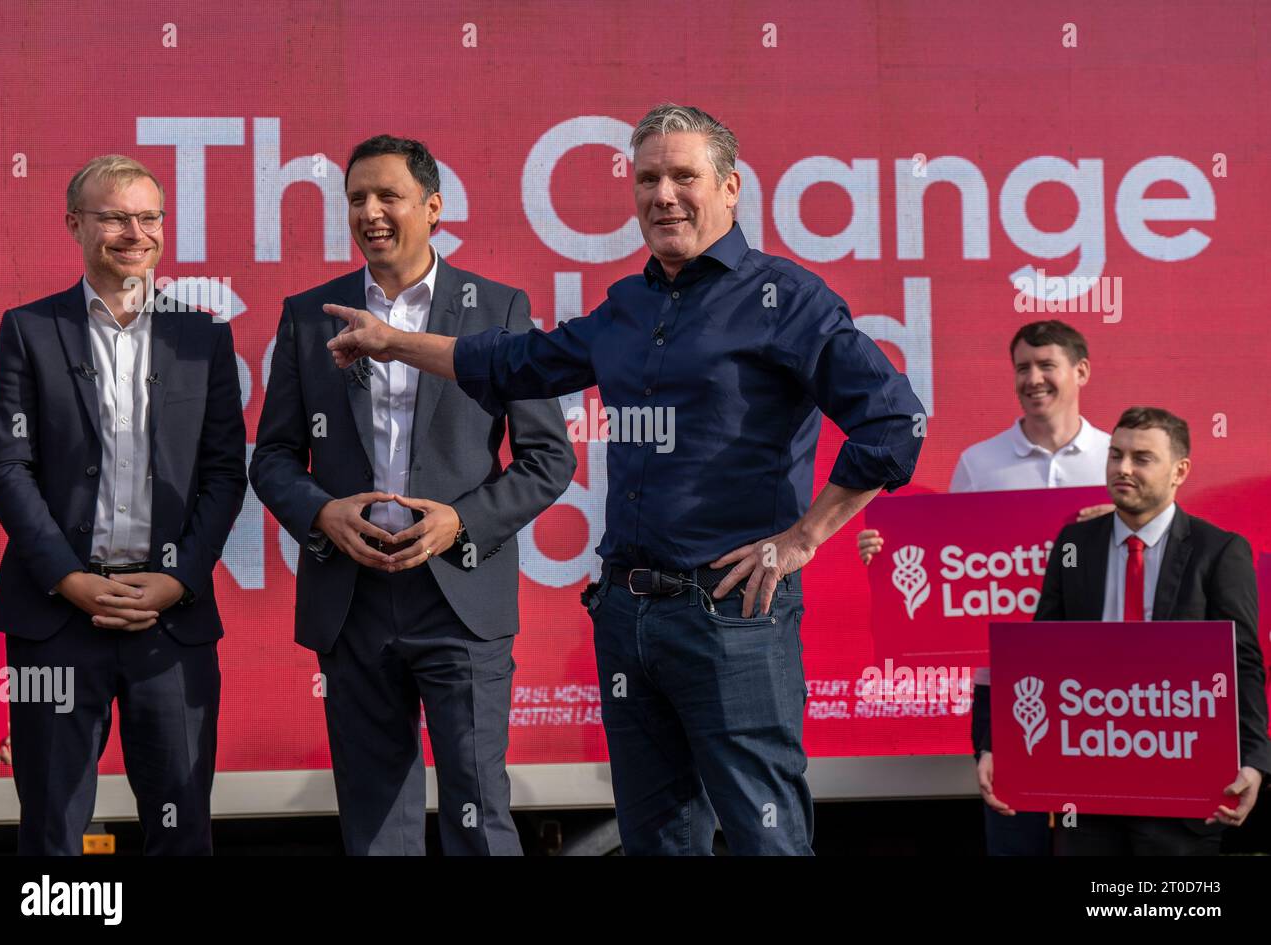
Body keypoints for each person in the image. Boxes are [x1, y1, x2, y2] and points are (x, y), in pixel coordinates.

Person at [321, 104, 925, 855]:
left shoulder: (786, 299)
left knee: (765, 839)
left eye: (683, 177)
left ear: (730, 187)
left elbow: (895, 424)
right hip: (628, 616)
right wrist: (393, 342)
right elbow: (514, 362)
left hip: (734, 617)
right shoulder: (629, 306)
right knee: (656, 842)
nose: (663, 195)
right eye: (647, 179)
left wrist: (804, 538)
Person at [250, 135, 576, 855]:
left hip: (460, 597)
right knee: (374, 826)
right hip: (352, 601)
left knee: (480, 814)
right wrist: (321, 511)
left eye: (387, 196)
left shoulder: (496, 308)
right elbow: (272, 457)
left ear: (432, 207)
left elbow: (550, 456)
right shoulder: (310, 315)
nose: (370, 212)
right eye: (356, 198)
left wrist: (462, 520)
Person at [0, 154, 247, 854]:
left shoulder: (203, 337)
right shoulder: (28, 329)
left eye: (149, 217)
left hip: (171, 621)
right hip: (54, 619)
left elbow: (225, 474)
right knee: (50, 829)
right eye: (115, 217)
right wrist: (69, 578)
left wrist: (178, 578)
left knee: (182, 827)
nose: (135, 233)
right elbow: (6, 468)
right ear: (75, 224)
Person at [858, 319, 1113, 855]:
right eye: (1023, 367)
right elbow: (949, 565)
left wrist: (1119, 525)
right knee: (1014, 833)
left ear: (1082, 371)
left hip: (1105, 682)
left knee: (1100, 837)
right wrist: (887, 556)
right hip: (1005, 682)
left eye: (1047, 365)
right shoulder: (982, 462)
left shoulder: (1119, 462)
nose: (1033, 379)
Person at [974, 407, 1270, 855]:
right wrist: (999, 747)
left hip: (1182, 789)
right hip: (1089, 788)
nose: (1123, 468)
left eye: (1141, 458)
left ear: (1180, 471)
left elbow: (1242, 663)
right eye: (1116, 455)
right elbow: (1039, 654)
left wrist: (1253, 760)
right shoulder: (1074, 545)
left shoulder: (1219, 551)